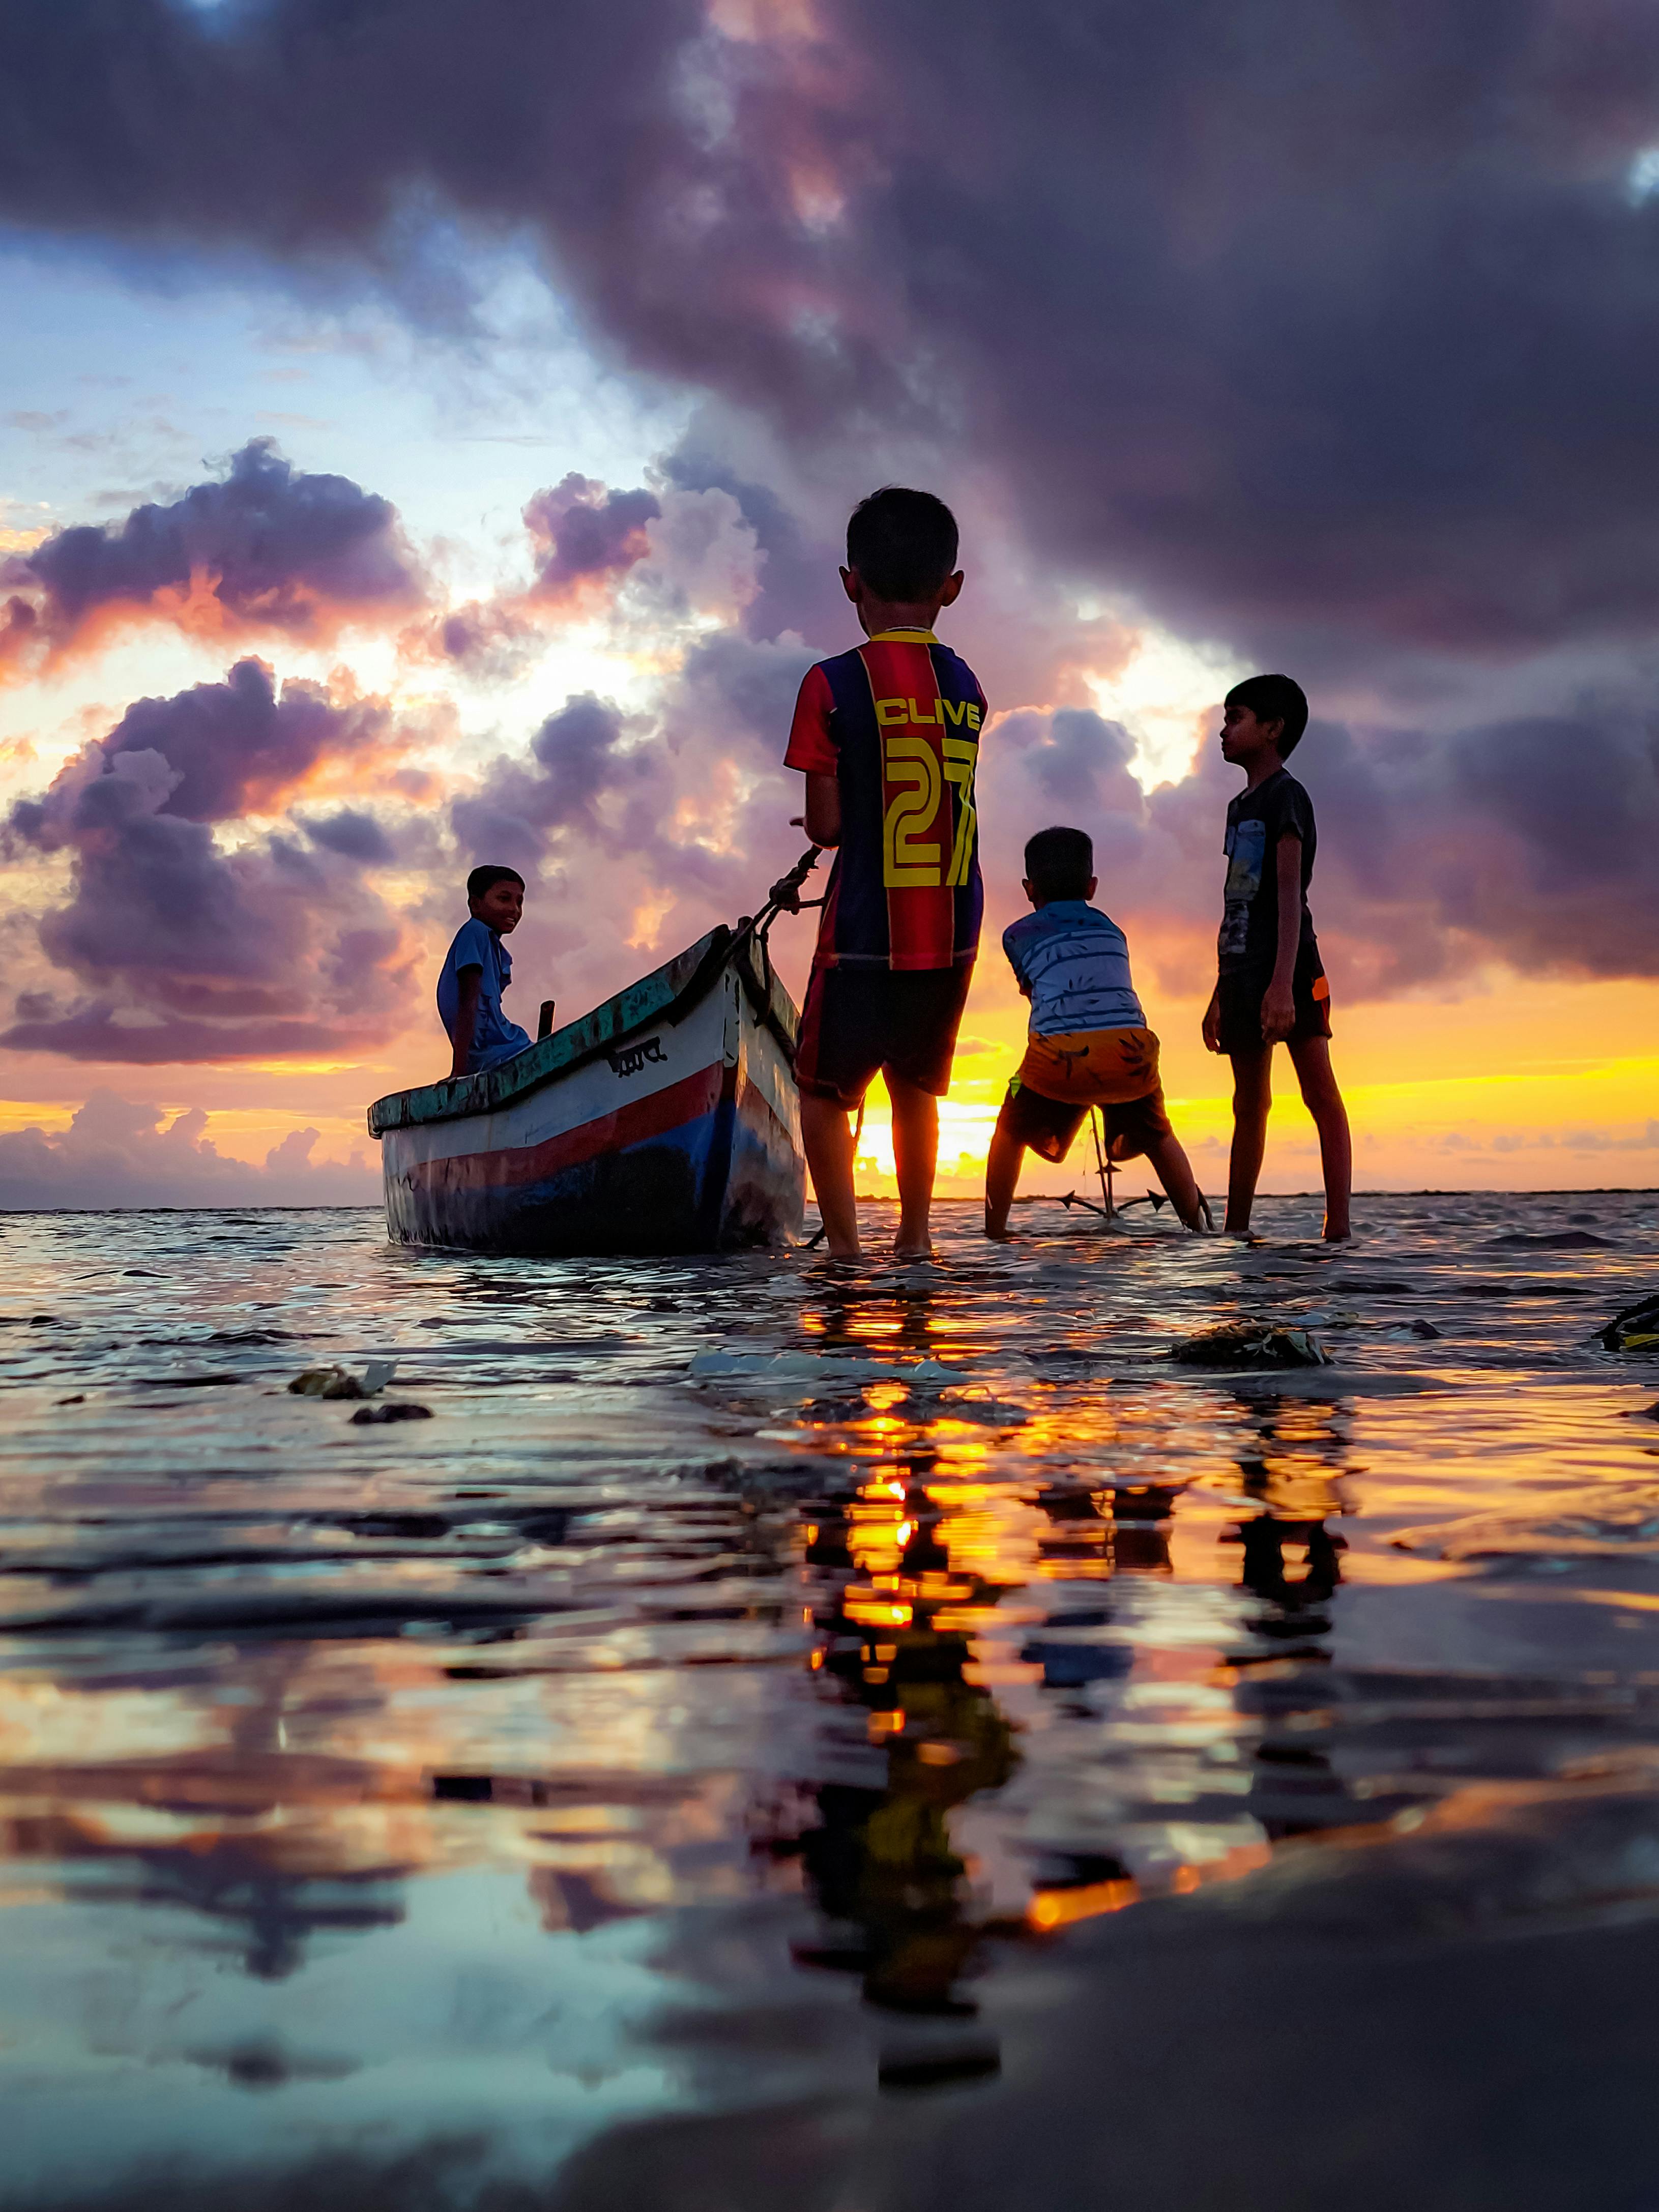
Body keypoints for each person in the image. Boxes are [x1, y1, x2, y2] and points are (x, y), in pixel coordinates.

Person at [782, 486, 985, 1261]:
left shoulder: (829, 682)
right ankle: (917, 1240)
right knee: (917, 1088)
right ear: (951, 588)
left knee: (823, 1091)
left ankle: (843, 1251)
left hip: (866, 919)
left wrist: (820, 823)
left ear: (850, 581)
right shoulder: (967, 685)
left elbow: (830, 827)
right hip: (952, 918)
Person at [984, 826, 1207, 1238]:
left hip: (1056, 1058)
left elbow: (1036, 996)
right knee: (1160, 1136)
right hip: (1132, 1054)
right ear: (1091, 886)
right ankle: (1197, 1227)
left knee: (1007, 1129)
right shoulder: (1111, 930)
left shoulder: (1015, 935)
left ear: (1027, 888)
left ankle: (995, 1232)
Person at [1201, 674, 1351, 1240]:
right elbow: (1236, 898)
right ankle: (1236, 1231)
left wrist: (1282, 982)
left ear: (1272, 728)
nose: (1223, 729)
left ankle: (1337, 1228)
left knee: (1319, 1092)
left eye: (1235, 717)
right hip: (1240, 972)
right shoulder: (1239, 806)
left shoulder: (1285, 796)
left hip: (1292, 967)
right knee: (1248, 1103)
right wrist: (1219, 992)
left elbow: (1289, 895)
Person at [438, 864, 532, 1080]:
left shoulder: (489, 942)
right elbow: (468, 1000)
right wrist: (460, 1071)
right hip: (494, 1053)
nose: (515, 910)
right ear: (476, 905)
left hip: (498, 1047)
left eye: (519, 902)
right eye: (504, 899)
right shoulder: (475, 932)